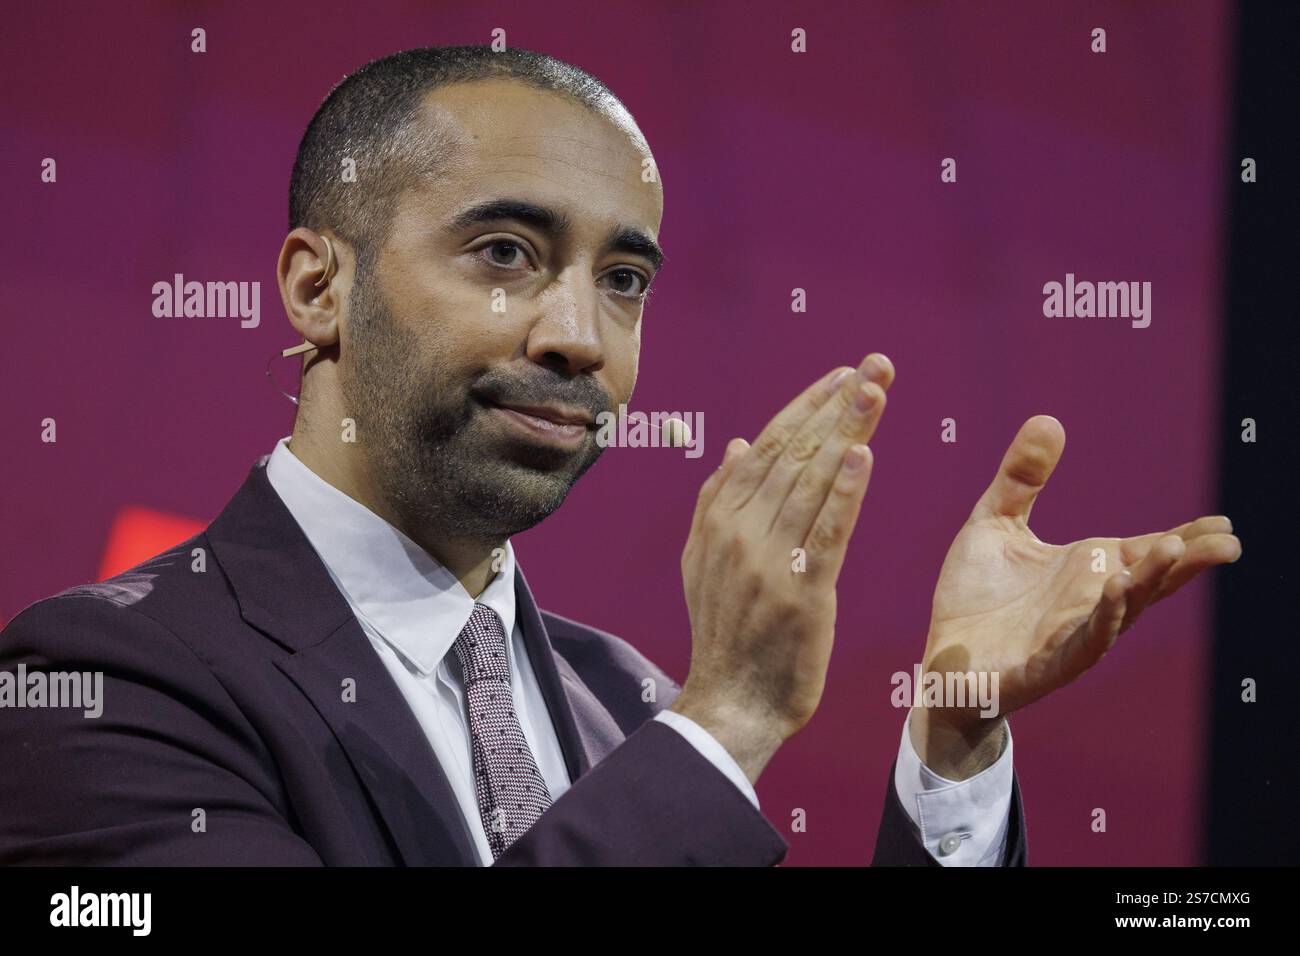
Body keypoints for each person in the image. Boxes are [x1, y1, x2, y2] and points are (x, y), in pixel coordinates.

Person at [0, 46, 1240, 866]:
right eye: (502, 253)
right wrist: (736, 717)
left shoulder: (625, 703)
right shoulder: (104, 677)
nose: (578, 335)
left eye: (625, 278)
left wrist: (955, 733)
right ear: (319, 285)